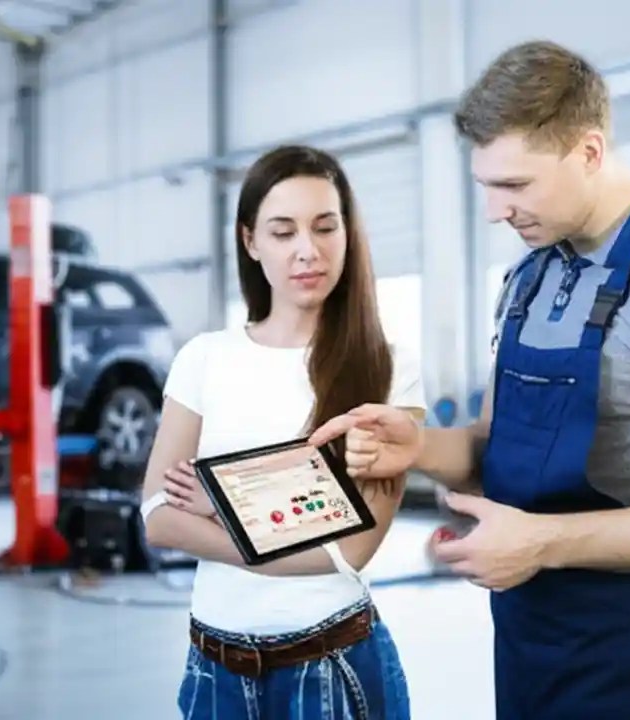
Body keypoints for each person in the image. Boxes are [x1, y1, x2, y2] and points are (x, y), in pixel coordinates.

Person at [310, 40, 630, 719]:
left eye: (514, 185)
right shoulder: (532, 274)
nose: (494, 210)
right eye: (486, 185)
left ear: (590, 153)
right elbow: (496, 447)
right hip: (532, 650)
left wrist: (544, 543)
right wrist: (419, 449)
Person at [140, 144, 426, 719]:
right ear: (250, 241)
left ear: (348, 232)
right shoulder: (205, 358)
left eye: (325, 227)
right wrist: (294, 519)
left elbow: (351, 554)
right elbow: (158, 516)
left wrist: (221, 506)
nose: (307, 251)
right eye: (282, 232)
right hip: (214, 670)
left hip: (332, 665)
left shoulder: (388, 368)